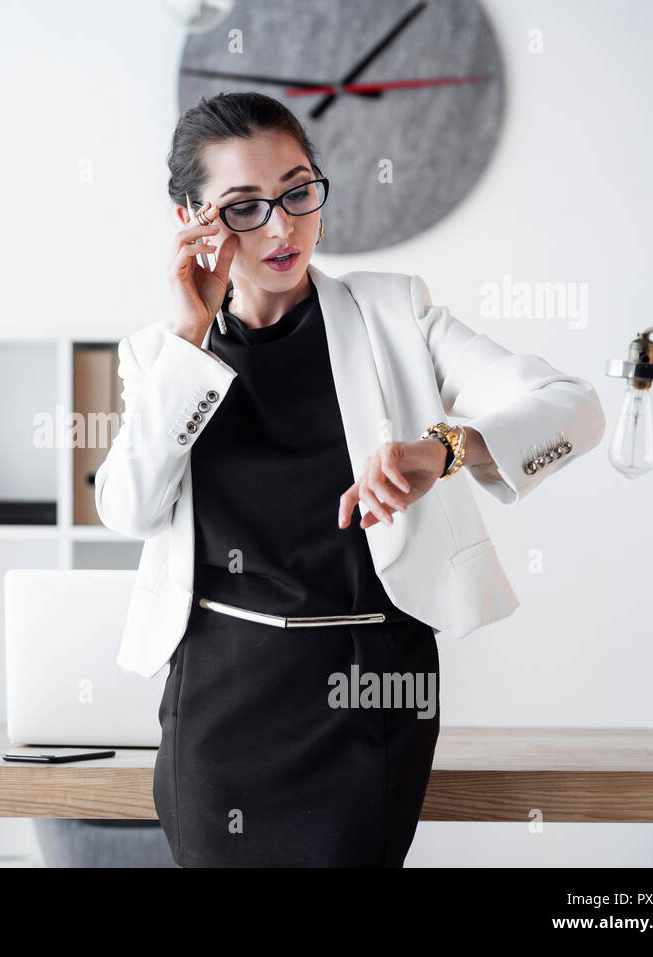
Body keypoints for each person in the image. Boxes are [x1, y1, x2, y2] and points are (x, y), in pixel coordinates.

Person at [93, 91, 606, 867]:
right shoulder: (159, 356)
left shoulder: (396, 314)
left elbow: (575, 408)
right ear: (191, 220)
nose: (280, 226)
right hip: (218, 697)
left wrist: (447, 446)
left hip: (370, 693)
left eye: (298, 191)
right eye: (244, 207)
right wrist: (192, 334)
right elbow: (126, 506)